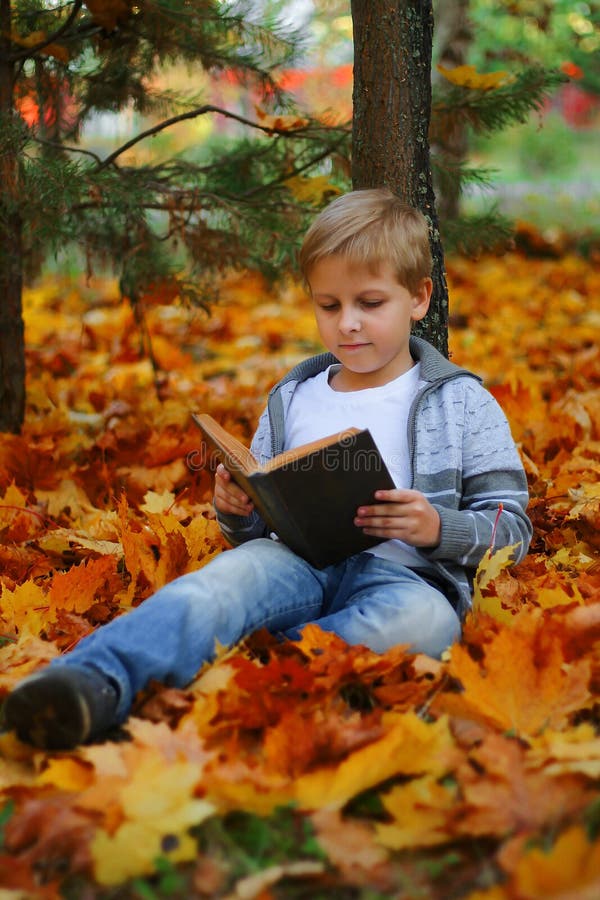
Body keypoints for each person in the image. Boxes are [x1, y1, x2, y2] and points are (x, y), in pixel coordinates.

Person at [2, 189, 532, 750]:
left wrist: (436, 527)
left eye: (370, 304)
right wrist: (239, 512)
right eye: (329, 307)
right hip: (292, 563)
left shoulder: (461, 402)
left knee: (424, 627)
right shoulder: (295, 395)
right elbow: (261, 517)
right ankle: (90, 682)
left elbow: (513, 529)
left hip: (406, 580)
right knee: (214, 589)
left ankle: (246, 675)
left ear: (420, 298)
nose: (348, 324)